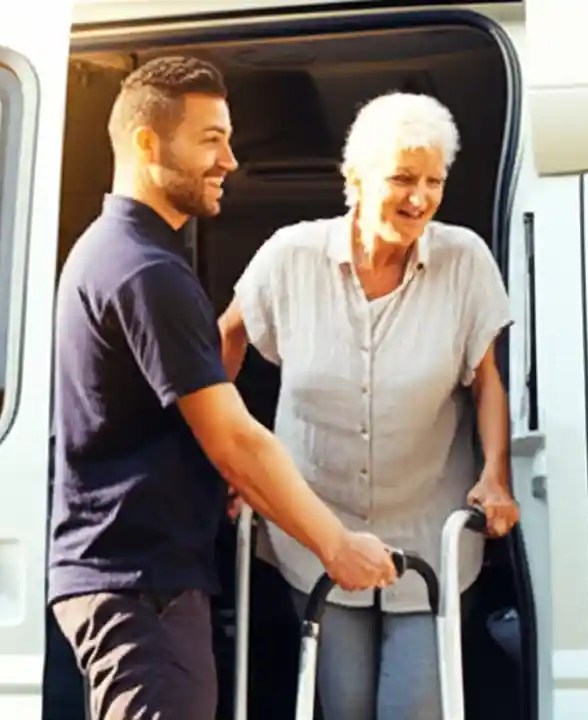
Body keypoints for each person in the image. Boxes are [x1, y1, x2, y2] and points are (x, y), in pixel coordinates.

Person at [47, 56, 400, 720]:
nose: (231, 160)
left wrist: (219, 479)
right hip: (139, 589)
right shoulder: (143, 270)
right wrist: (336, 544)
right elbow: (235, 437)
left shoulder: (116, 253)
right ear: (149, 144)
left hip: (132, 585)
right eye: (210, 138)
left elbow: (165, 425)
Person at [218, 92, 520, 719]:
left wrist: (496, 475)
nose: (420, 198)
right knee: (344, 705)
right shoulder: (290, 257)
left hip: (428, 526)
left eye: (434, 181)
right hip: (318, 526)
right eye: (403, 178)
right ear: (354, 179)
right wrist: (228, 465)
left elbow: (487, 379)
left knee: (413, 707)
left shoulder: (465, 262)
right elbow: (227, 339)